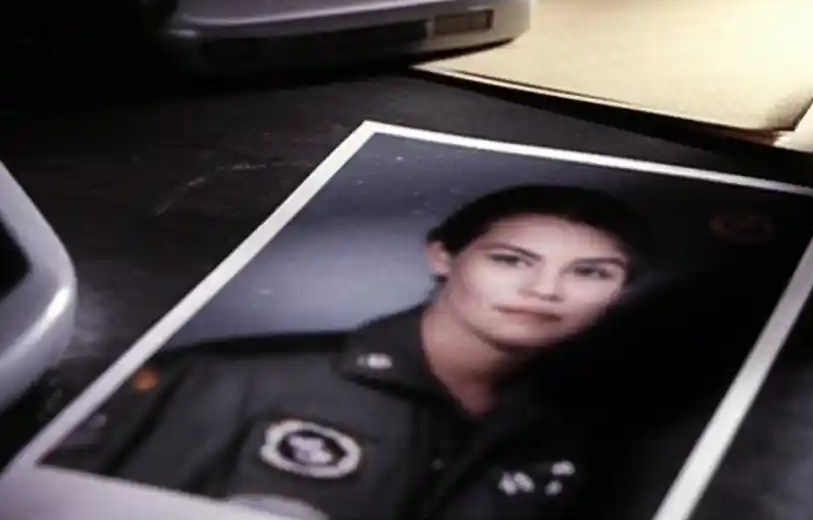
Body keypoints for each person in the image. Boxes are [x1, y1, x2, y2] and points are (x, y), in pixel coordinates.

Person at [45, 184, 656, 520]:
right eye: (511, 261)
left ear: (623, 292)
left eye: (590, 273)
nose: (545, 290)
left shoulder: (587, 438)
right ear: (442, 256)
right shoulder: (235, 378)